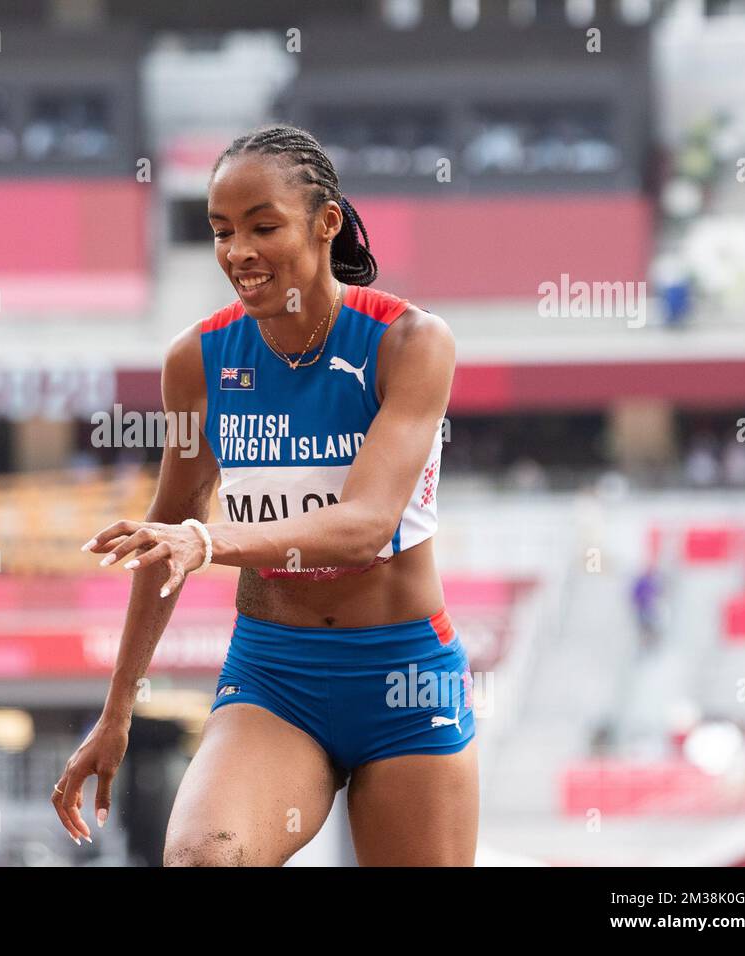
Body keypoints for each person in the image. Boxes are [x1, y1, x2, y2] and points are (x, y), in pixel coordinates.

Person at [53, 125, 477, 866]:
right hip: (275, 675)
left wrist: (208, 541)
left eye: (262, 227)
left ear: (326, 223)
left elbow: (366, 527)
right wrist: (118, 710)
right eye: (221, 231)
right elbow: (167, 532)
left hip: (404, 679)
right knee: (202, 858)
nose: (238, 252)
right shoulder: (197, 359)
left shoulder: (411, 342)